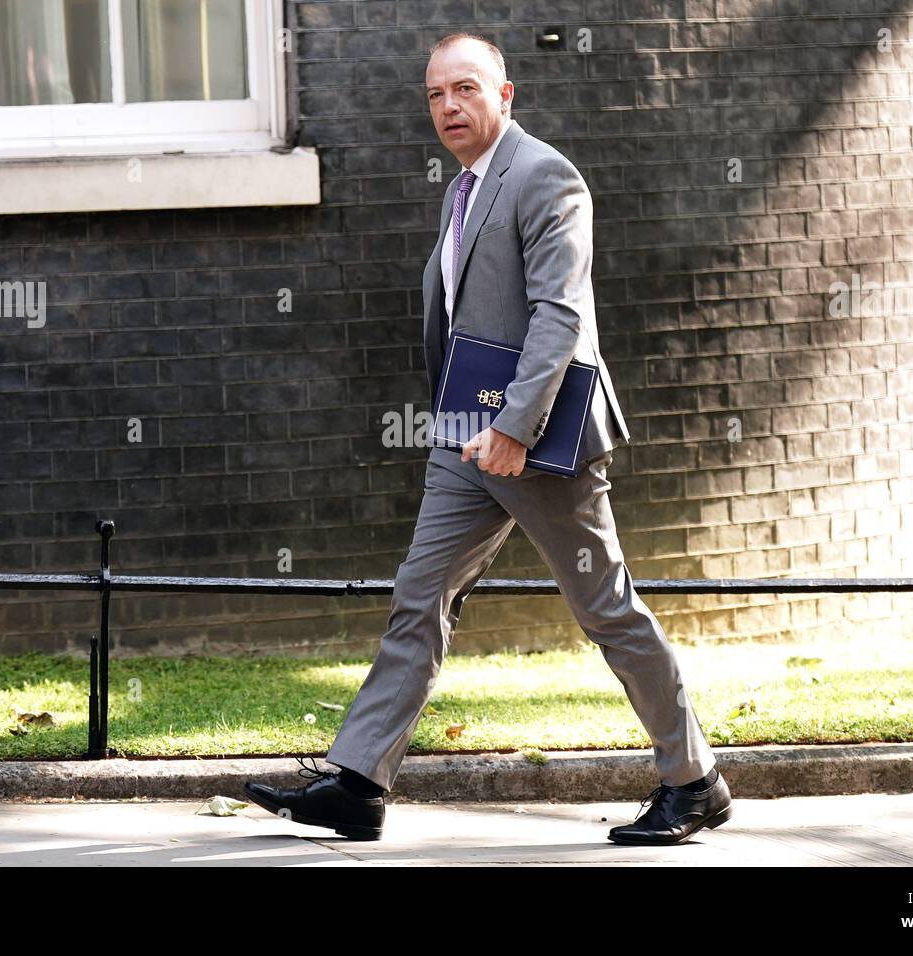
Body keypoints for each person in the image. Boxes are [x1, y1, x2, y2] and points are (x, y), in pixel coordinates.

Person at [244, 32, 730, 845]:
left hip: (541, 441)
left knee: (605, 607)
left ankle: (695, 780)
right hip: (463, 434)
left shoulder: (545, 176)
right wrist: (469, 423)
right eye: (435, 95)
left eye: (465, 89)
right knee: (419, 596)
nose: (448, 108)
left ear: (506, 95)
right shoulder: (461, 189)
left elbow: (560, 314)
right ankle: (360, 783)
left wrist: (513, 427)